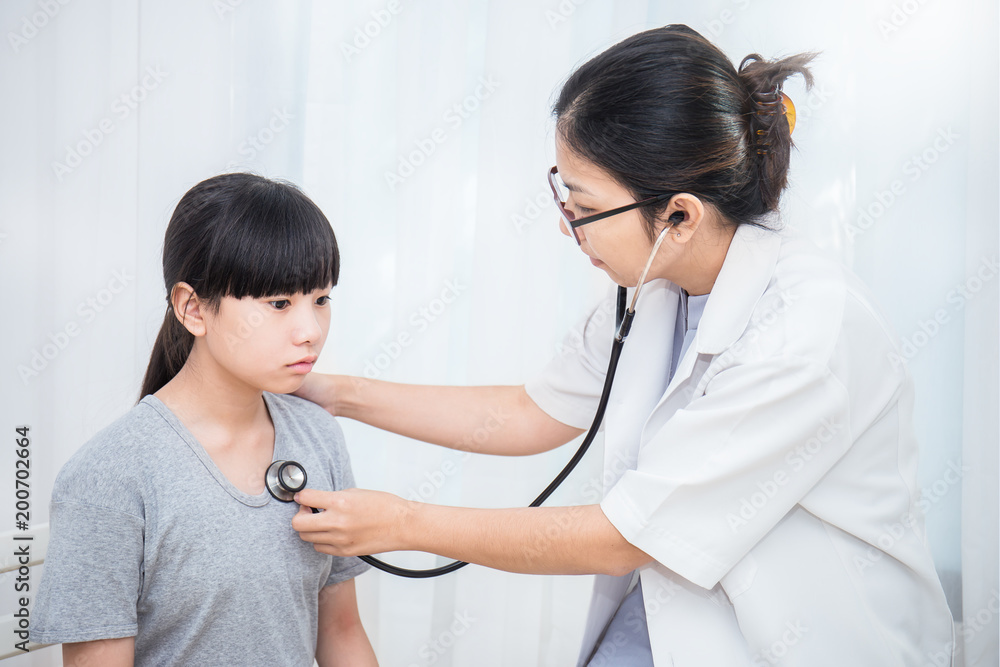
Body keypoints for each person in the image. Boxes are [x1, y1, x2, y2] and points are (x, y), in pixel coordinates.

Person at [288, 24, 957, 666]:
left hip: (804, 641)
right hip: (680, 621)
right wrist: (335, 393)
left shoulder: (805, 334)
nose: (566, 226)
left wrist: (400, 523)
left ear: (679, 215)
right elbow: (530, 411)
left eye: (581, 205)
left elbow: (619, 537)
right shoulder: (663, 283)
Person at [30, 173, 378, 666]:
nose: (310, 331)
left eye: (321, 300)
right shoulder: (107, 476)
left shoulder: (318, 435)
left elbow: (341, 632)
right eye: (279, 304)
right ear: (193, 308)